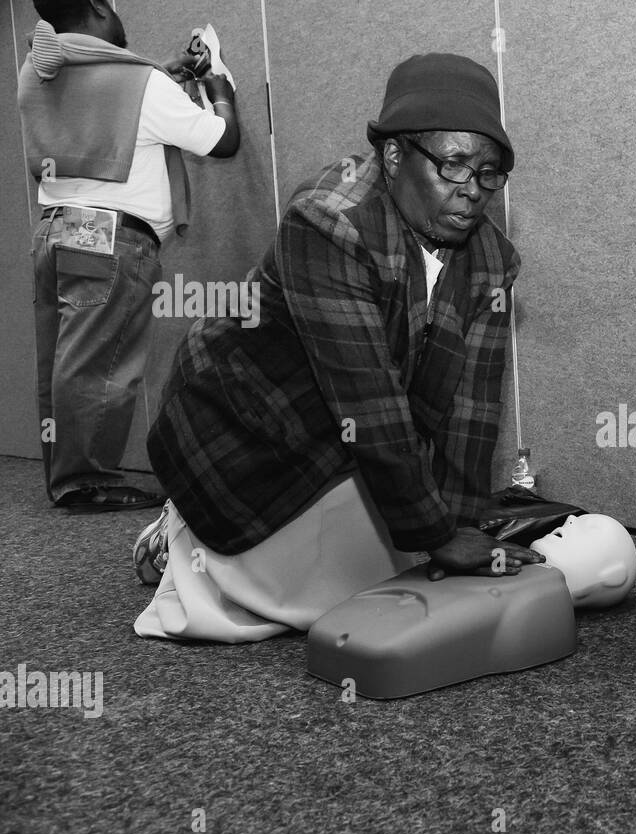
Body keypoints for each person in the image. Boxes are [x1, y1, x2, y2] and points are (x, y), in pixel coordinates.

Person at [133, 53, 543, 643]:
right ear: (396, 156)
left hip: (345, 446)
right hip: (244, 433)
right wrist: (435, 536)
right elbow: (367, 400)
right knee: (283, 605)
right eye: (454, 165)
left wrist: (458, 528)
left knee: (389, 586)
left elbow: (471, 411)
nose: (473, 191)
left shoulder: (491, 260)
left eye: (489, 173)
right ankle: (178, 535)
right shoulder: (329, 220)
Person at [19, 0, 240, 511]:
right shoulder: (142, 86)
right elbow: (223, 141)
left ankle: (67, 474)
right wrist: (219, 89)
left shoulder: (39, 67)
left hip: (54, 231)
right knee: (98, 365)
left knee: (63, 362)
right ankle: (85, 482)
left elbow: (98, 103)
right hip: (110, 239)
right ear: (99, 7)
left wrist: (158, 73)